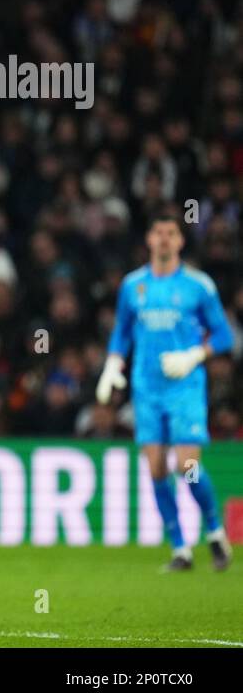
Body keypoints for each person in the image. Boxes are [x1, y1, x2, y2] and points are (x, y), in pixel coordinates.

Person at [96, 208, 234, 572]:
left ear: (181, 240)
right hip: (146, 388)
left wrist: (194, 355)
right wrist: (113, 362)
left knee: (187, 466)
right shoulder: (132, 286)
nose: (164, 239)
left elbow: (224, 335)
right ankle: (179, 549)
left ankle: (215, 530)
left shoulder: (198, 285)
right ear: (148, 240)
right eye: (158, 233)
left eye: (171, 233)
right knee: (157, 468)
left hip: (185, 386)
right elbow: (123, 330)